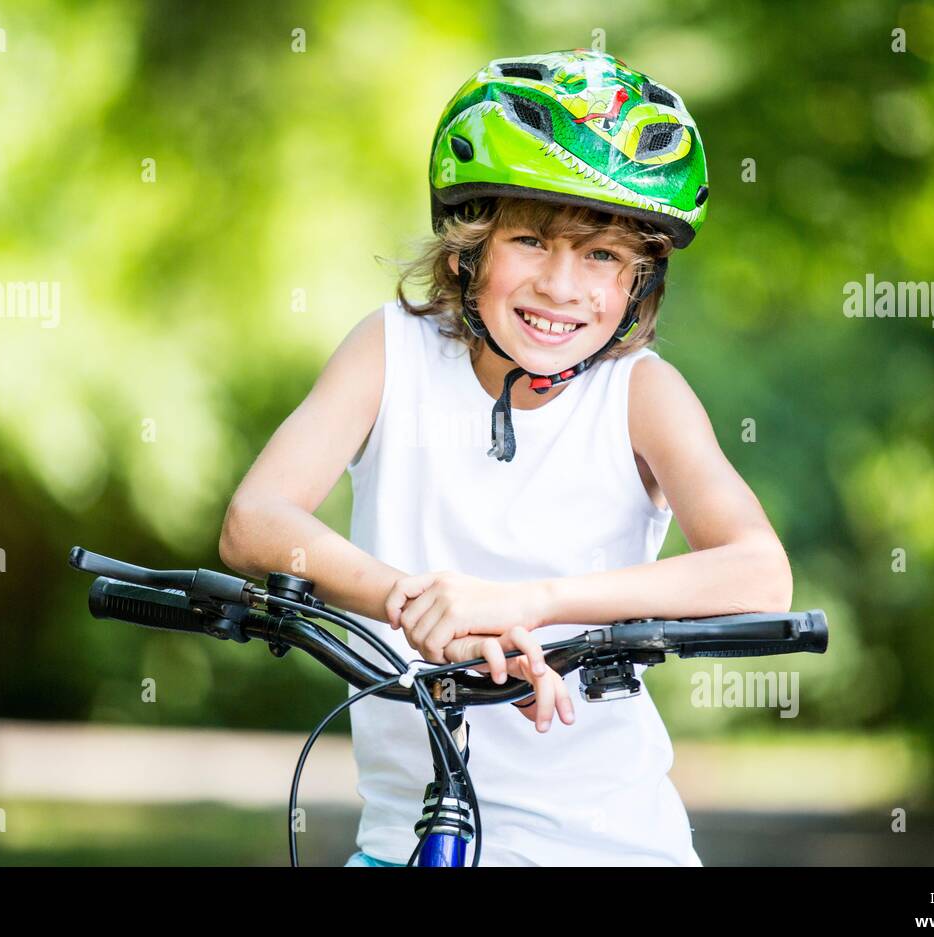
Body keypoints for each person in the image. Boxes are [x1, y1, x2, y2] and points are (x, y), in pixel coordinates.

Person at [219, 49, 793, 866]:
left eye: (601, 256)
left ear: (639, 283)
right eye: (532, 240)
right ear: (469, 245)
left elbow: (759, 571)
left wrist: (525, 604)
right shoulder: (393, 351)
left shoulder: (640, 394)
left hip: (611, 847)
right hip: (404, 837)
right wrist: (416, 604)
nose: (562, 286)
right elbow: (256, 521)